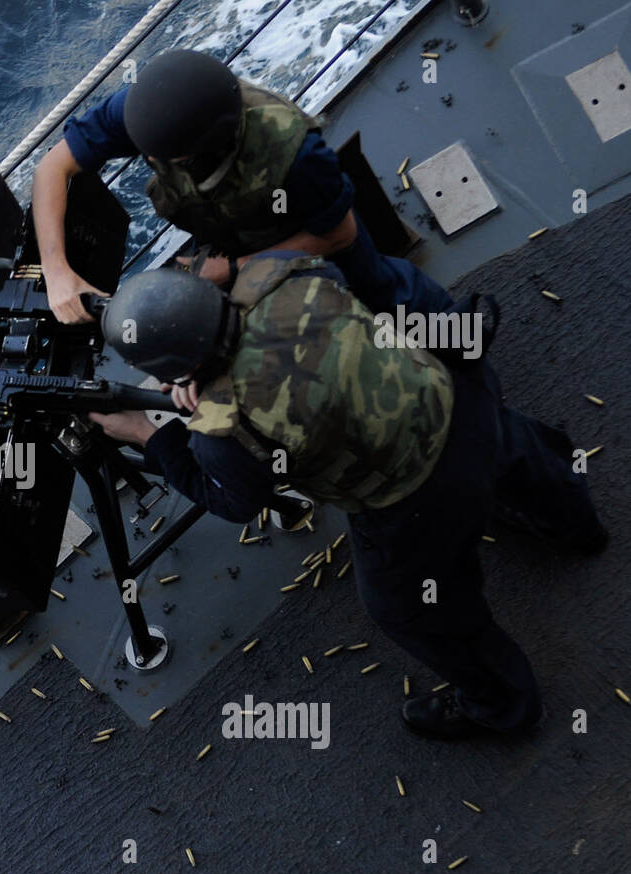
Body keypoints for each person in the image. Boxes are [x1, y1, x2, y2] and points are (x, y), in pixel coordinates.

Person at [86, 255, 606, 738]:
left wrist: (150, 436)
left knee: (409, 611)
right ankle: (576, 525)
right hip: (454, 400)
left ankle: (503, 707)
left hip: (410, 502)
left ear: (174, 370)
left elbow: (233, 502)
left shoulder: (223, 434)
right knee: (516, 452)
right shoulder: (287, 274)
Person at [33, 48, 451, 324]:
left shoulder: (295, 151)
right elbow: (52, 168)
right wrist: (57, 272)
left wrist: (235, 269)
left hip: (309, 233)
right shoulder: (148, 110)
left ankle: (455, 338)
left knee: (378, 297)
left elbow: (341, 234)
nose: (151, 161)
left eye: (163, 159)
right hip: (231, 230)